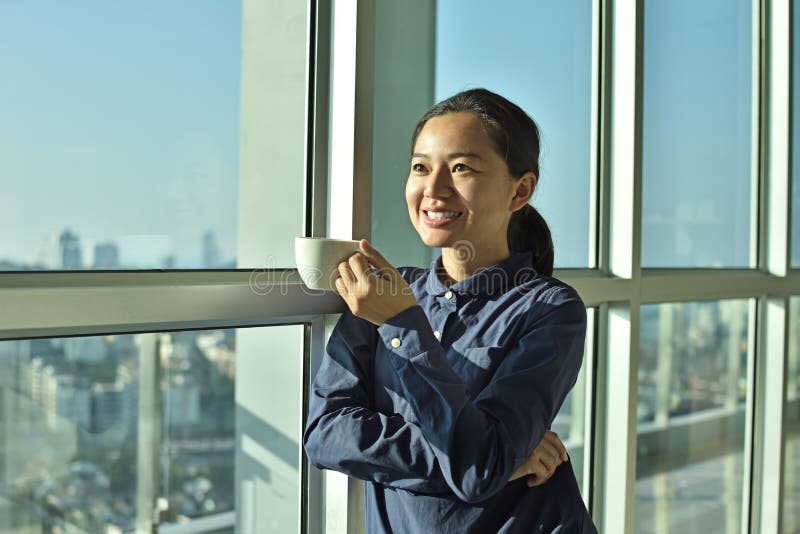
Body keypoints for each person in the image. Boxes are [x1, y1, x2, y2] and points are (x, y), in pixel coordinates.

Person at [303, 88, 597, 533]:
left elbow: (478, 468)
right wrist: (492, 460)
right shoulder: (382, 290)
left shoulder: (551, 309)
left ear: (521, 190)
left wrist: (401, 323)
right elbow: (324, 436)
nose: (433, 189)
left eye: (461, 168)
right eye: (421, 167)